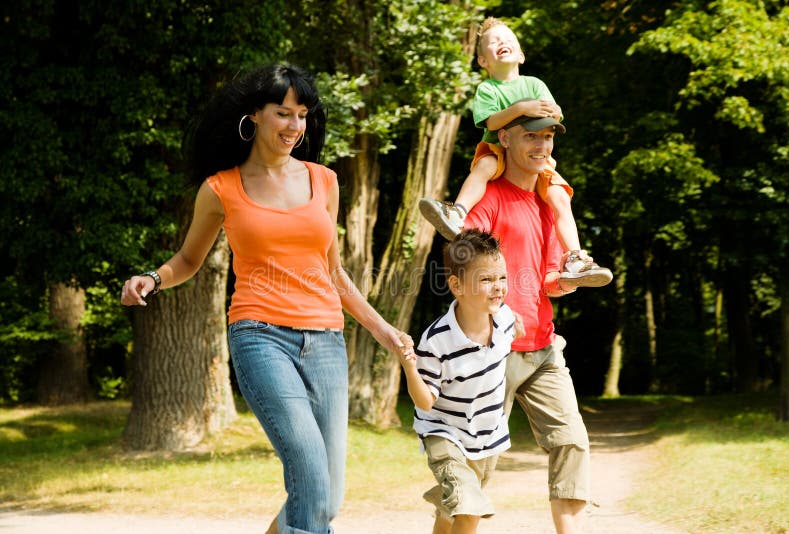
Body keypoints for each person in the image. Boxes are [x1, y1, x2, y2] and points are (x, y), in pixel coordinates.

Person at [120, 64, 413, 534]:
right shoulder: (221, 187)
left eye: (302, 115)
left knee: (327, 495)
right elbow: (189, 259)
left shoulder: (324, 180)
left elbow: (334, 271)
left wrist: (383, 330)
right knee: (311, 475)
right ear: (254, 115)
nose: (295, 125)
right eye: (283, 112)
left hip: (326, 340)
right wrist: (152, 278)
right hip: (260, 336)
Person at [463, 113, 591, 534]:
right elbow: (466, 259)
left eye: (548, 137)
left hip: (543, 348)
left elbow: (549, 277)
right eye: (531, 136)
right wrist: (500, 309)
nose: (542, 145)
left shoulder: (550, 202)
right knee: (475, 464)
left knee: (571, 444)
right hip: (491, 349)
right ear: (505, 138)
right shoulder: (491, 197)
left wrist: (565, 282)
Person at [419, 16, 611, 288]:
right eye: (494, 41)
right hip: (495, 149)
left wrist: (552, 112)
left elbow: (555, 113)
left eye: (508, 39)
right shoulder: (488, 89)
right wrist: (521, 109)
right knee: (484, 167)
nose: (502, 42)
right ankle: (458, 212)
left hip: (530, 158)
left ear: (521, 54)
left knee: (559, 196)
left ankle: (575, 257)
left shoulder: (534, 84)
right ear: (483, 61)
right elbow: (491, 123)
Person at [398, 229, 520, 534]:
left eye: (502, 277)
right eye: (486, 279)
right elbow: (425, 401)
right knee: (468, 507)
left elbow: (519, 331)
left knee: (452, 509)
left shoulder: (504, 318)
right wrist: (410, 367)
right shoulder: (436, 340)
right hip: (444, 433)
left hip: (486, 434)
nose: (498, 287)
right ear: (456, 285)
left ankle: (447, 502)